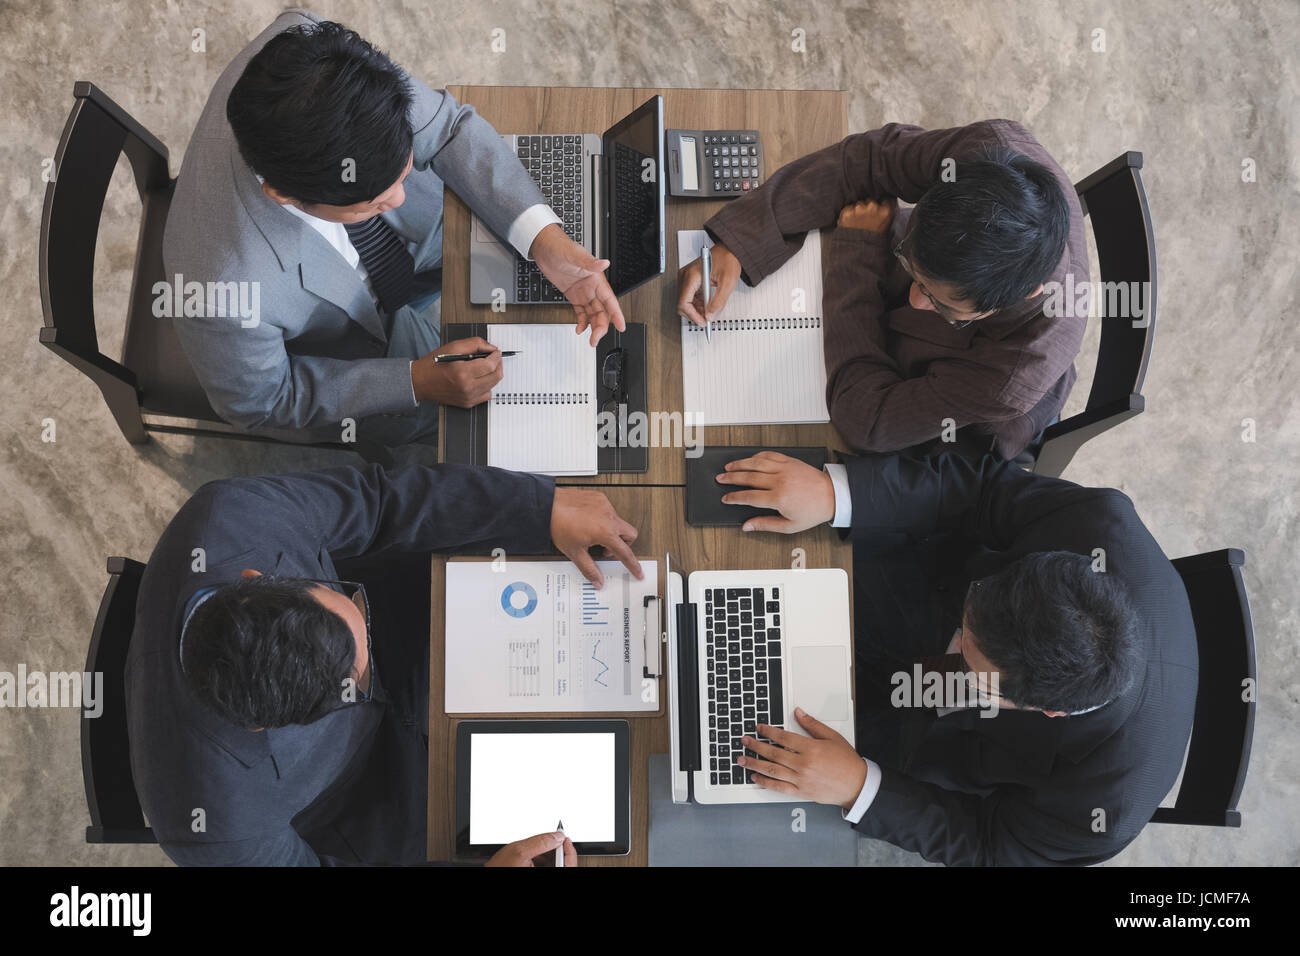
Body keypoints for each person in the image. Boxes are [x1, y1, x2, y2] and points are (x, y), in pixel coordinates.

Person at [125, 462, 642, 866]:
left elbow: (380, 502)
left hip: (406, 612)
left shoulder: (237, 512)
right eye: (356, 681)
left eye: (348, 604)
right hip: (373, 791)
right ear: (265, 724)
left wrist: (537, 509)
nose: (366, 656)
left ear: (257, 576)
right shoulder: (216, 823)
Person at [708, 450, 1196, 865]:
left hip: (929, 738)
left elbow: (988, 845)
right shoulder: (1100, 521)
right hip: (922, 593)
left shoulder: (1105, 811)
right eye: (970, 624)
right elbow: (982, 491)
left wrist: (861, 787)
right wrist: (839, 493)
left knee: (742, 758)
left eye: (970, 657)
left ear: (1048, 710)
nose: (957, 643)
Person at [164, 10, 624, 446]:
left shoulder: (319, 54)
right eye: (373, 201)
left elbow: (446, 127)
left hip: (392, 258)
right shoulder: (219, 291)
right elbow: (261, 401)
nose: (399, 199)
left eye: (403, 171)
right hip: (356, 345)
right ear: (285, 197)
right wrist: (417, 381)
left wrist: (544, 240)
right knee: (505, 419)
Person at [677, 121, 1087, 461]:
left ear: (1024, 294)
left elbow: (865, 421)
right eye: (913, 267)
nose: (915, 298)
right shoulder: (988, 152)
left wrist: (856, 258)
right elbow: (871, 161)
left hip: (960, 431)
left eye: (942, 305)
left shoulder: (1015, 372)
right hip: (875, 271)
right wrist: (743, 241)